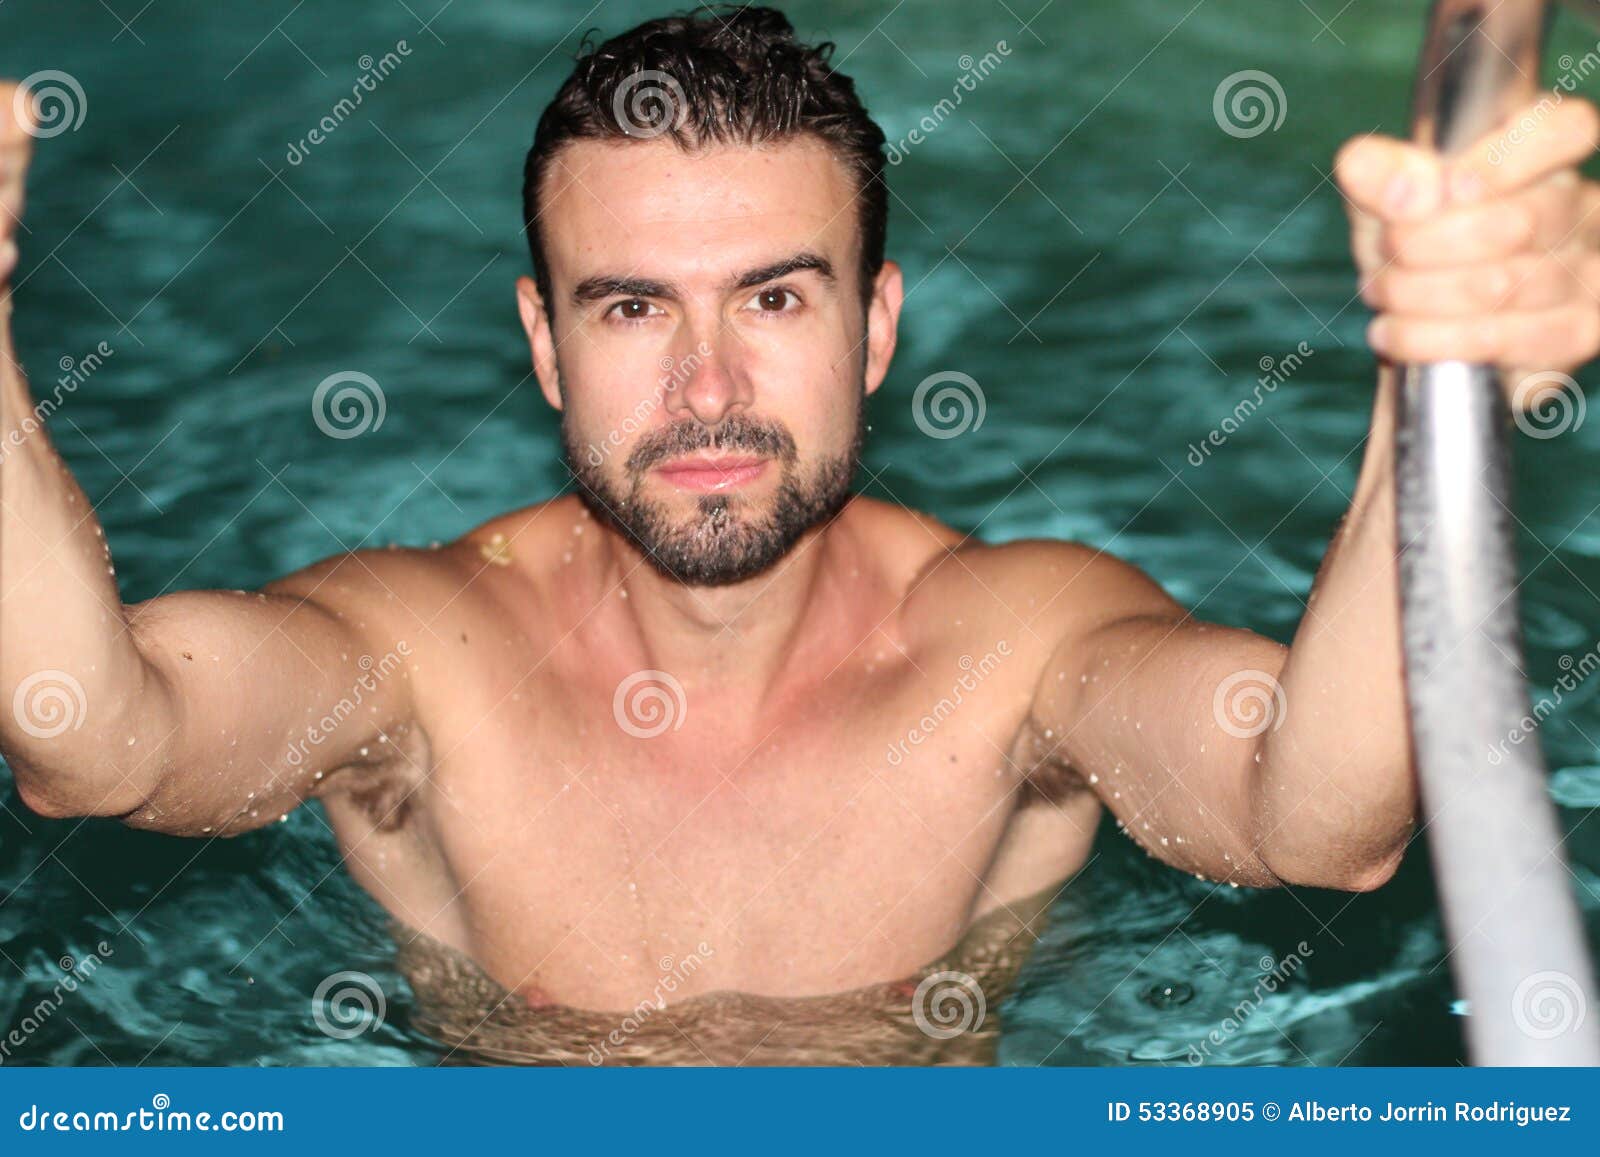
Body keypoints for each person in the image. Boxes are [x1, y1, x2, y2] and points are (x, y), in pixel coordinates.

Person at [3, 6, 1598, 1055]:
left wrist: (1434, 375)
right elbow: (104, 743)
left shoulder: (1016, 646)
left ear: (877, 328)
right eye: (633, 307)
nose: (707, 385)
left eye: (775, 296)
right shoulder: (421, 656)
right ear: (546, 344)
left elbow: (1318, 823)